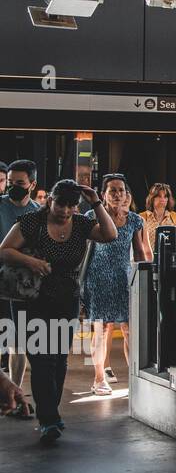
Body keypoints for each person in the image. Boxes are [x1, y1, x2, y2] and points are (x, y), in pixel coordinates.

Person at [0, 179, 117, 444]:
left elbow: (111, 235)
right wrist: (31, 261)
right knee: (41, 360)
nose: (65, 210)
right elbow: (4, 251)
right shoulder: (31, 223)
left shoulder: (81, 225)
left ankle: (50, 413)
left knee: (59, 360)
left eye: (71, 206)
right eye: (60, 203)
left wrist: (96, 201)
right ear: (50, 199)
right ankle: (49, 419)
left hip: (66, 300)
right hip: (32, 300)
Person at [84, 174, 149, 396]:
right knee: (102, 329)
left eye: (121, 190)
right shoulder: (91, 217)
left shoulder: (134, 220)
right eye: (112, 190)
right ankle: (99, 378)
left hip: (124, 278)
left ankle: (135, 377)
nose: (118, 194)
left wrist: (144, 280)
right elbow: (84, 250)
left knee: (129, 329)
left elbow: (140, 252)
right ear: (103, 195)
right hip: (98, 278)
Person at [0, 160, 40, 411]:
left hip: (24, 290)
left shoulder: (39, 214)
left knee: (19, 343)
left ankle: (15, 392)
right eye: (10, 183)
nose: (13, 187)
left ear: (32, 185)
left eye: (20, 184)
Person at [140, 182, 176, 264]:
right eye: (159, 196)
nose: (162, 199)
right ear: (152, 198)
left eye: (165, 196)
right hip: (149, 261)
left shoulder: (175, 217)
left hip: (169, 261)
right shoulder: (142, 217)